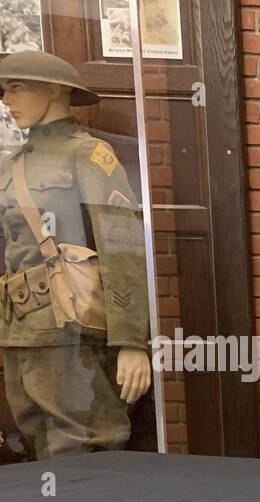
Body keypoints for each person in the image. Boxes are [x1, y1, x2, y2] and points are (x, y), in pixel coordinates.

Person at [0, 51, 150, 458]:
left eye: (16, 87)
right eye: (4, 90)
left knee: (86, 441)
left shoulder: (87, 155)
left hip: (71, 330)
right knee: (36, 439)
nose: (6, 99)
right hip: (19, 333)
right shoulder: (9, 166)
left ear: (54, 90)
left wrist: (132, 341)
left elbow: (122, 245)